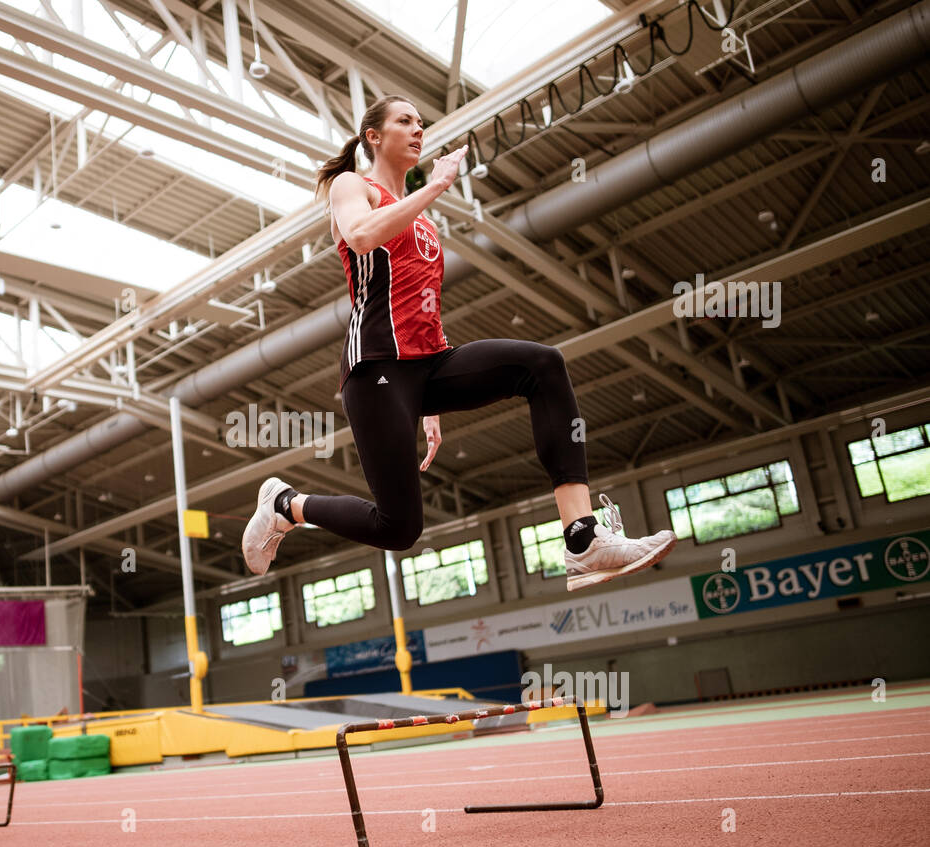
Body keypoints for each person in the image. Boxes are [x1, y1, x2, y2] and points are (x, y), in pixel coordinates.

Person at [242, 95, 676, 592]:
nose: (417, 129)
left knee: (542, 364)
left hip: (429, 363)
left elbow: (422, 303)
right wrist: (439, 186)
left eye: (421, 123)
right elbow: (361, 237)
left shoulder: (422, 220)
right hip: (378, 367)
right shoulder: (352, 186)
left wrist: (431, 404)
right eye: (404, 121)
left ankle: (582, 538)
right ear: (374, 138)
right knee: (399, 528)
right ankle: (285, 505)